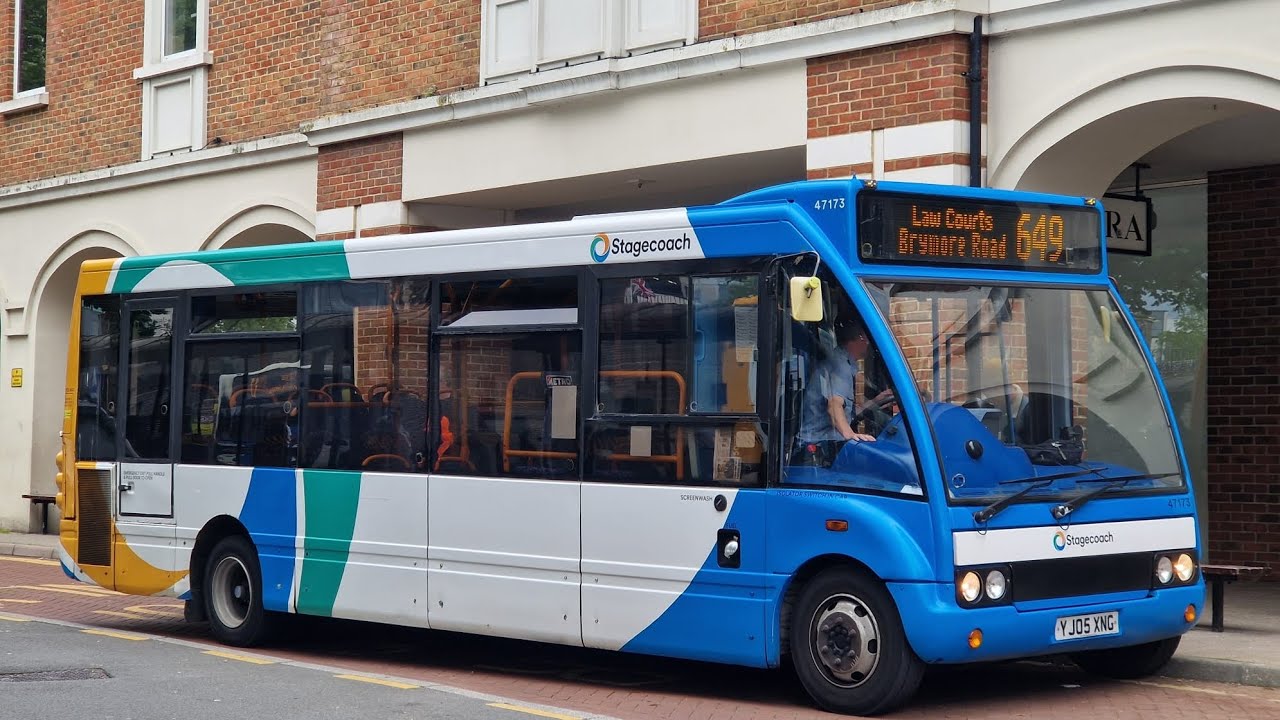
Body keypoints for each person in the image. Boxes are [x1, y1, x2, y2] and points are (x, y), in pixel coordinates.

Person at [794, 319, 895, 466]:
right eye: (869, 339)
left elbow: (845, 412)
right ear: (862, 338)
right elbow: (834, 405)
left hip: (824, 446)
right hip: (817, 452)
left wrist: (878, 400)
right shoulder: (840, 365)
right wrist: (850, 435)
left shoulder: (845, 363)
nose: (870, 344)